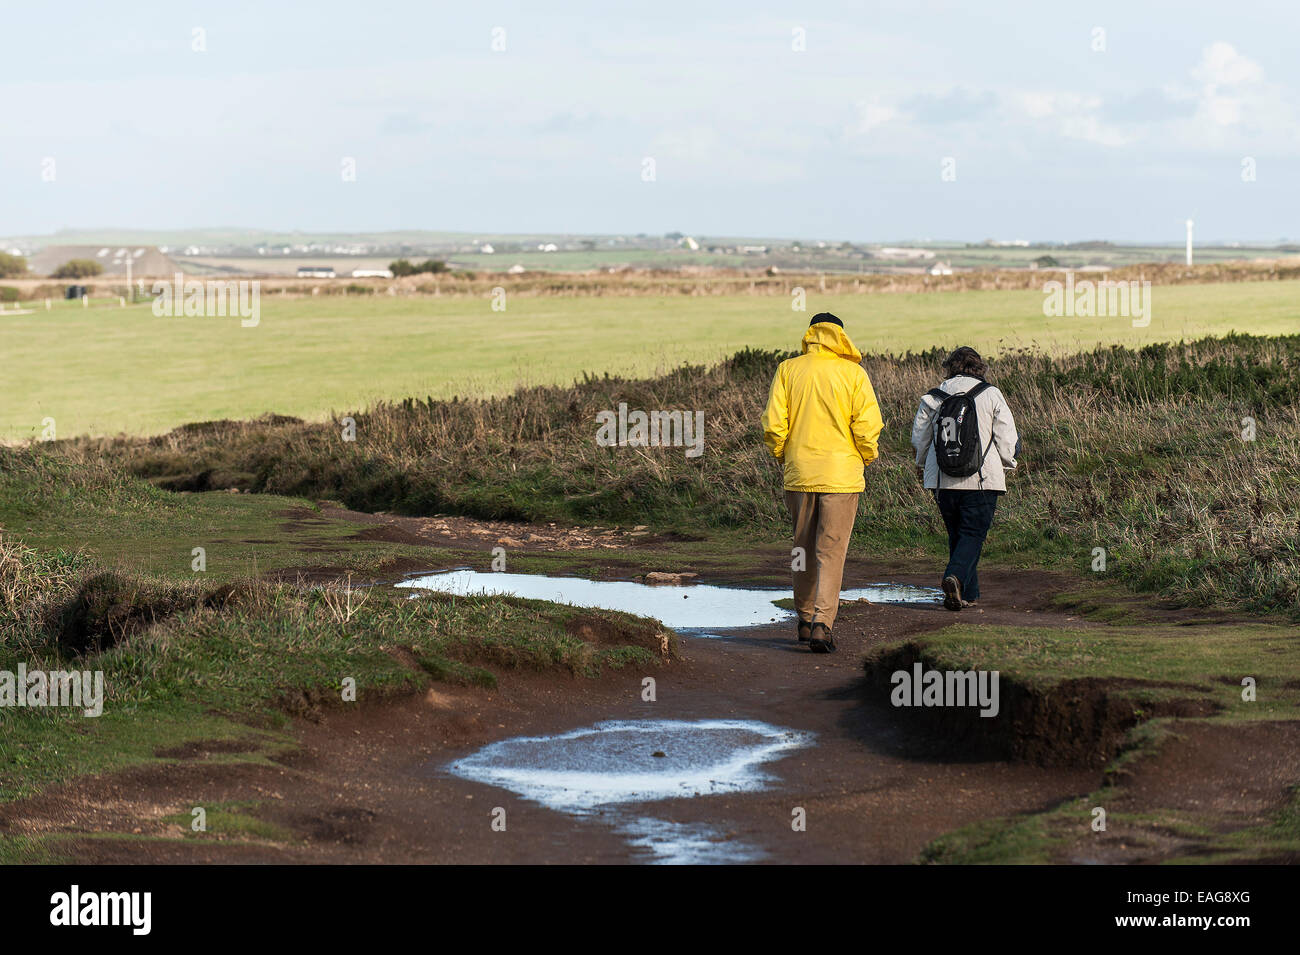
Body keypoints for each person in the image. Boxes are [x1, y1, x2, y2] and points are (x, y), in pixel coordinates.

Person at [761, 313, 883, 653]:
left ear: (810, 334)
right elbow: (867, 425)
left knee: (801, 548)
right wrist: (865, 456)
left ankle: (803, 618)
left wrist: (783, 454)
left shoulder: (788, 369)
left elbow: (774, 424)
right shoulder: (853, 373)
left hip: (800, 473)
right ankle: (821, 624)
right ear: (840, 335)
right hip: (841, 477)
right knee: (831, 553)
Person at [910, 346, 1019, 611]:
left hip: (942, 483)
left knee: (958, 536)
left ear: (950, 367)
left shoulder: (933, 397)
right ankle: (955, 577)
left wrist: (923, 465)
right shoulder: (991, 394)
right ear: (979, 367)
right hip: (983, 480)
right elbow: (1007, 437)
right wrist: (1008, 463)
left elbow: (918, 439)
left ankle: (966, 593)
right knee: (972, 534)